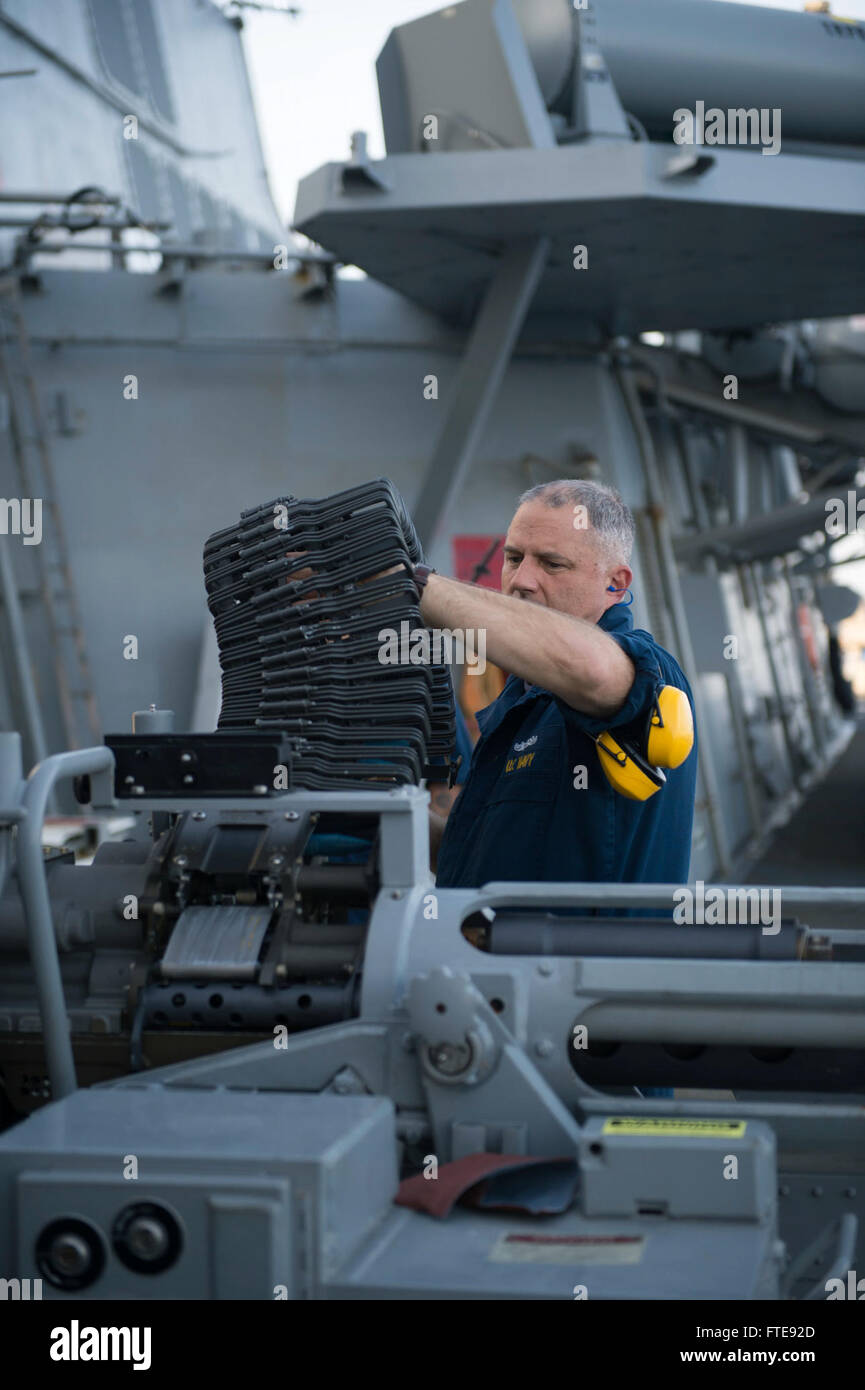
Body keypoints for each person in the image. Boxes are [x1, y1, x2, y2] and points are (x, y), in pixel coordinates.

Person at [416, 479, 697, 896]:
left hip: (581, 962)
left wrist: (413, 585)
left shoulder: (647, 672)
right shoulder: (526, 701)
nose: (521, 580)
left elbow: (595, 670)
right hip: (484, 957)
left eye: (552, 564)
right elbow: (486, 857)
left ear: (616, 584)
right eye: (513, 558)